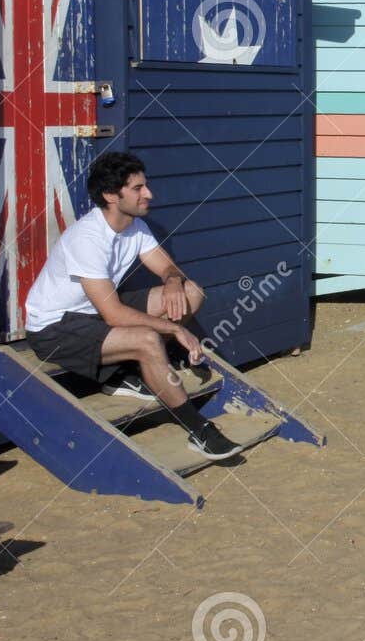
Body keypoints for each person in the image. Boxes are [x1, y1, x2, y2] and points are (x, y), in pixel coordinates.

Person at [23, 151, 244, 460]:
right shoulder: (86, 238)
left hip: (94, 313)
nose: (148, 194)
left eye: (146, 186)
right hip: (55, 328)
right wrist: (175, 330)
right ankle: (199, 430)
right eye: (138, 188)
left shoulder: (134, 226)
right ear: (111, 195)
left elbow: (169, 269)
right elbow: (113, 313)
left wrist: (171, 280)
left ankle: (122, 373)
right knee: (147, 339)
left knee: (191, 292)